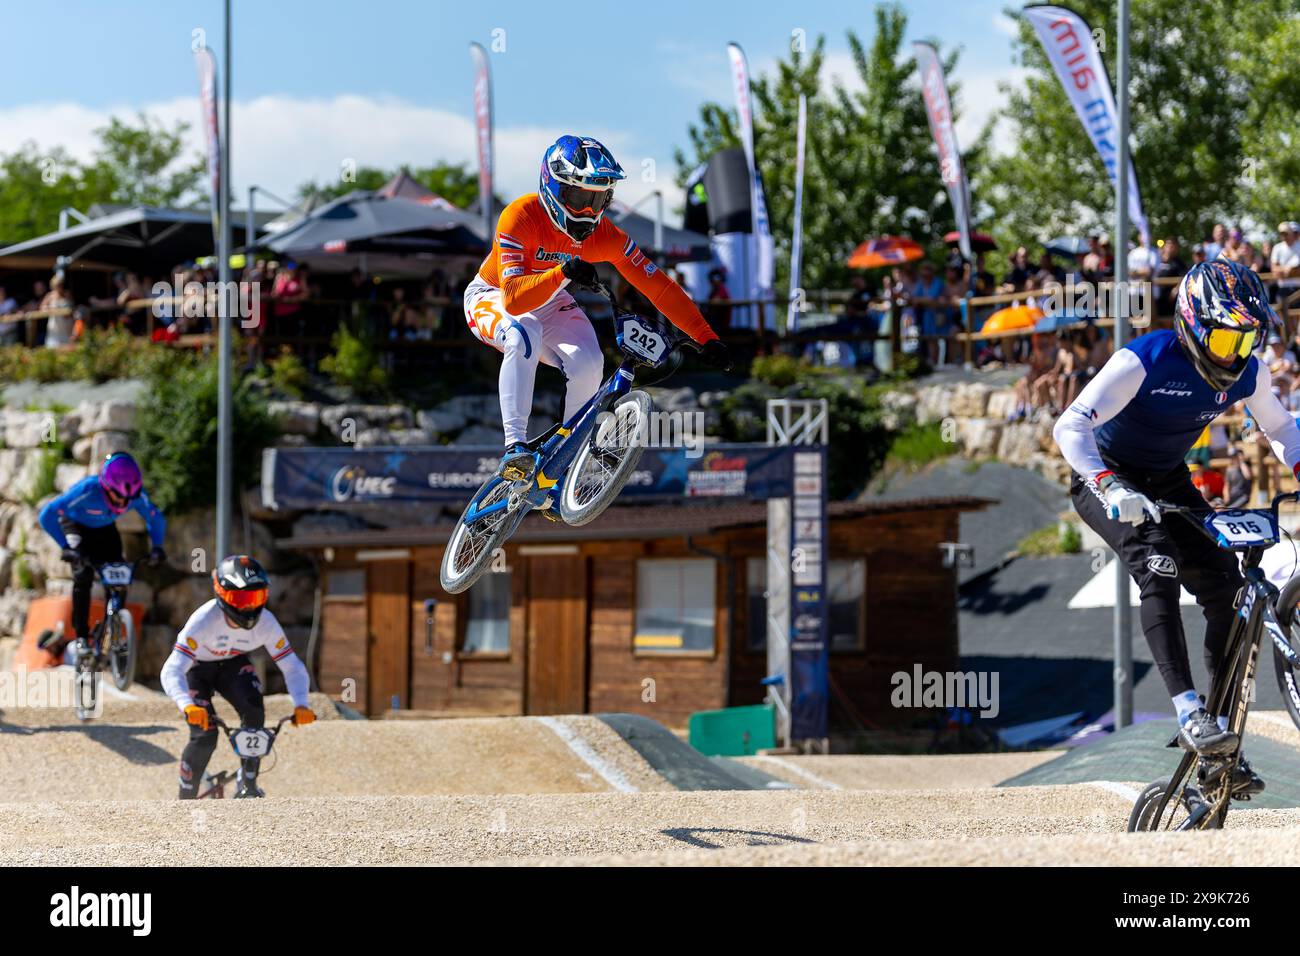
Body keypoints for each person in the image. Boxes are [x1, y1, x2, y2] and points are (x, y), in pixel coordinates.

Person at [1053, 259, 1300, 793]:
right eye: (1227, 340)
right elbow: (1068, 424)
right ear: (1191, 323)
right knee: (1157, 563)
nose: (1238, 355)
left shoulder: (1248, 373)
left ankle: (1220, 743)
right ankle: (1187, 711)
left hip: (1166, 479)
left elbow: (1281, 427)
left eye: (1248, 341)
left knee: (1229, 593)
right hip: (1105, 477)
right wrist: (1111, 485)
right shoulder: (1145, 360)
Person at [463, 135, 730, 480]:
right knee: (522, 331)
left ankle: (566, 461)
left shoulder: (604, 235)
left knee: (590, 363)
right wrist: (562, 272)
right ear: (552, 187)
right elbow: (514, 299)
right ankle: (515, 448)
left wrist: (706, 336)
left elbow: (658, 286)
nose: (588, 212)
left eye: (598, 199)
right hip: (494, 293)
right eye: (578, 197)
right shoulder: (520, 215)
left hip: (550, 295)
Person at [160, 555, 316, 799]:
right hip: (197, 669)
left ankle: (248, 783)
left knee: (254, 711)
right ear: (222, 594)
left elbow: (292, 666)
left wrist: (301, 703)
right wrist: (187, 705)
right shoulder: (203, 620)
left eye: (256, 598)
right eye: (241, 599)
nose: (249, 608)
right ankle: (186, 797)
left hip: (232, 665)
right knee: (205, 734)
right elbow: (171, 670)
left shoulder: (267, 622)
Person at [37, 453, 166, 657]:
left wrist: (157, 546)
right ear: (106, 487)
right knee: (84, 574)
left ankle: (111, 632)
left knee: (119, 575)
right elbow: (47, 515)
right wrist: (65, 546)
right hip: (75, 527)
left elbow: (155, 518)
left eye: (128, 499)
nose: (124, 502)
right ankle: (81, 637)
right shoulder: (88, 489)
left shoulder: (135, 495)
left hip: (104, 530)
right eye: (118, 496)